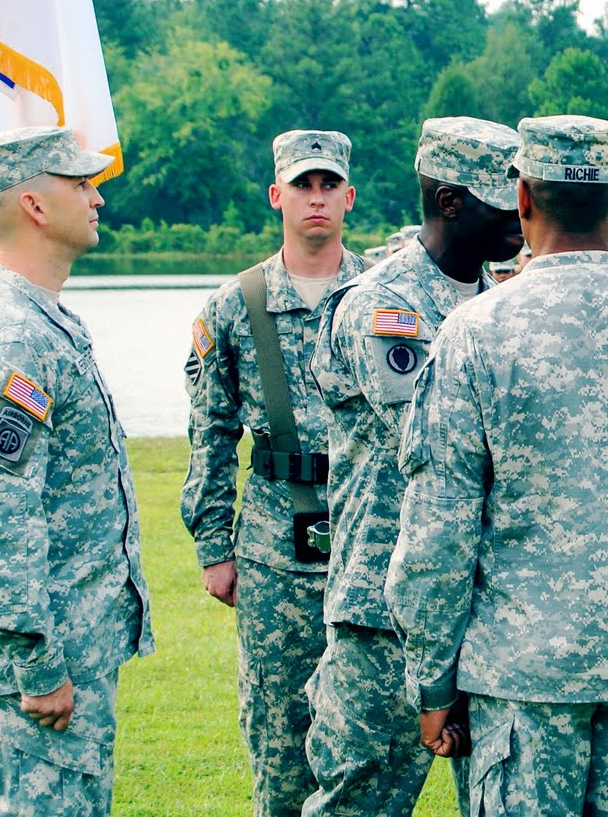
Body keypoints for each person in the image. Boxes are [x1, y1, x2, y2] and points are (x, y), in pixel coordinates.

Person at [386, 115, 608, 814]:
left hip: (522, 680)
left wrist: (431, 682)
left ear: (523, 198)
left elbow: (439, 533)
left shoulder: (475, 333)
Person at [304, 119, 523, 815]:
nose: (521, 215)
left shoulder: (501, 304)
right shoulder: (385, 308)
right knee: (360, 799)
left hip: (489, 606)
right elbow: (432, 443)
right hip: (384, 610)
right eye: (501, 201)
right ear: (451, 203)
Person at [0, 127, 153, 814]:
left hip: (65, 647)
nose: (96, 197)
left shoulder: (41, 319)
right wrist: (37, 661)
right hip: (34, 665)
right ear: (33, 205)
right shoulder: (13, 336)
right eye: (80, 184)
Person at [182, 130, 365, 816]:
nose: (315, 199)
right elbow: (210, 431)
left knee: (369, 734)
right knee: (279, 731)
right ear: (276, 197)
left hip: (368, 539)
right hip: (272, 547)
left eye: (327, 186)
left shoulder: (384, 297)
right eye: (301, 186)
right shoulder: (236, 304)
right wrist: (212, 547)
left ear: (348, 196)